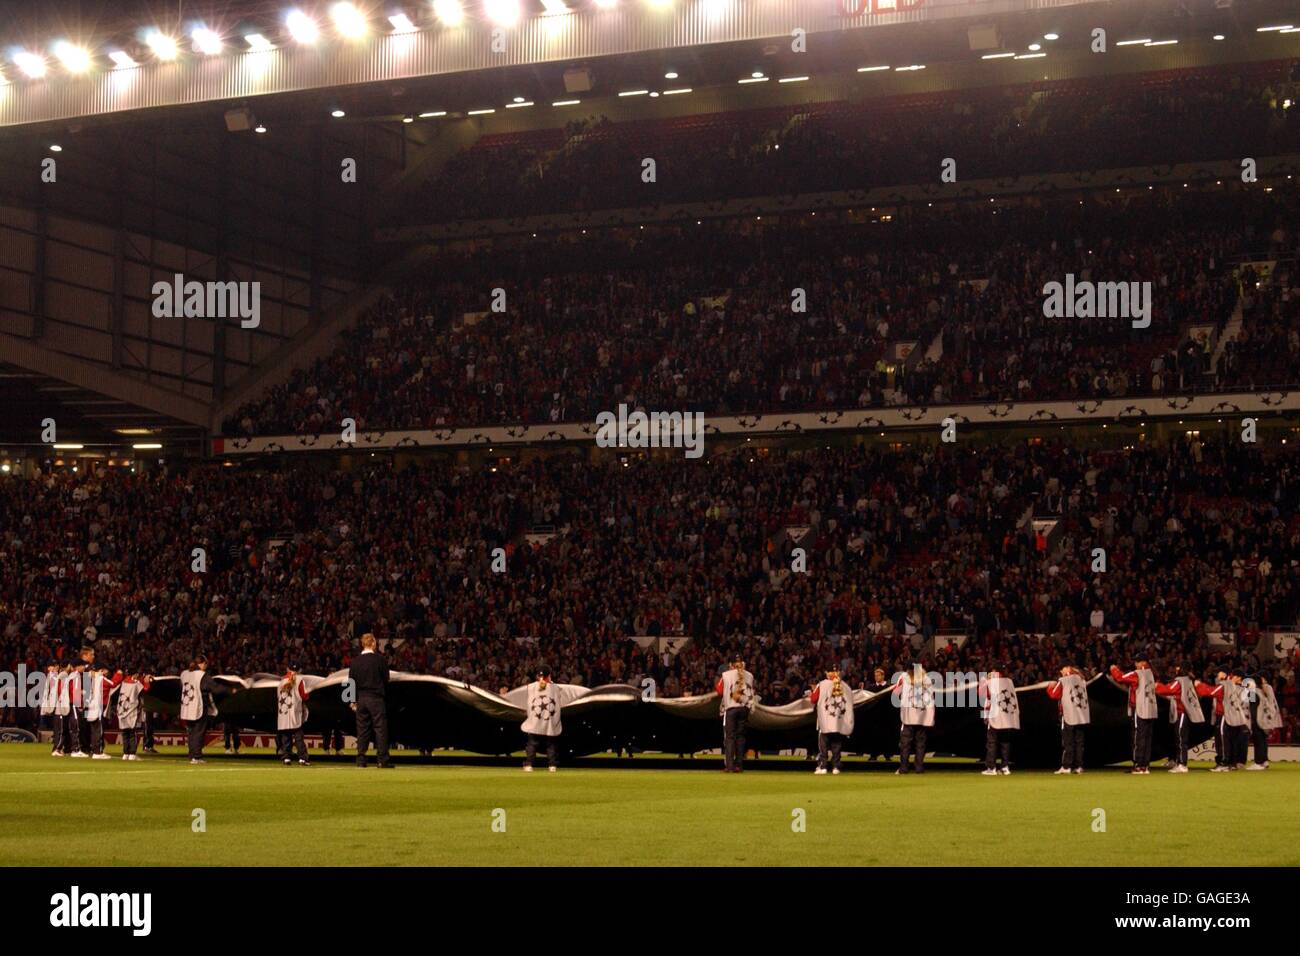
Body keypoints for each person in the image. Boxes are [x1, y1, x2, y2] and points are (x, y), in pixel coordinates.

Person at [350, 633, 391, 768]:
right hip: (376, 698)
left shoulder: (355, 661)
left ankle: (361, 760)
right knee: (380, 729)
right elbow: (386, 680)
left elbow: (350, 683)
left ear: (363, 644)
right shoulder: (380, 660)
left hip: (361, 699)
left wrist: (351, 701)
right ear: (373, 643)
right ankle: (382, 760)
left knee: (362, 730)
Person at [1110, 660, 1158, 774]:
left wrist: (1113, 669)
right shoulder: (1150, 673)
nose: (1135, 664)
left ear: (1142, 663)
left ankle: (1138, 765)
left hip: (1140, 709)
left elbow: (1120, 678)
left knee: (1138, 737)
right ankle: (1145, 766)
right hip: (1151, 709)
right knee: (1147, 738)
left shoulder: (1137, 673)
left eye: (1137, 662)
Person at [1155, 665, 1205, 773]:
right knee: (1180, 739)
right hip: (1184, 713)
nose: (1176, 670)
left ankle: (1182, 764)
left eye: (1178, 668)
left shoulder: (1180, 681)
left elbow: (1167, 690)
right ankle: (1180, 762)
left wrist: (1156, 685)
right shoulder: (1188, 681)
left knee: (1181, 739)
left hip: (1182, 712)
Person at [521, 666, 566, 772]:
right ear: (549, 675)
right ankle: (552, 765)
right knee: (551, 743)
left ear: (537, 676)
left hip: (535, 721)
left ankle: (529, 764)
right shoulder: (555, 688)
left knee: (532, 743)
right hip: (549, 721)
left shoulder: (531, 687)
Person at [1047, 665, 1090, 774]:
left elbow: (1054, 695)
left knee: (1068, 742)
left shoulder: (1063, 680)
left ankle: (1066, 766)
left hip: (1068, 714)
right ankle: (1079, 766)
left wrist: (1050, 687)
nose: (1061, 671)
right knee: (1079, 742)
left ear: (1066, 668)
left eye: (1061, 669)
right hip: (1081, 715)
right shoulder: (1081, 679)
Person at [892, 665, 935, 775]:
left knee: (905, 743)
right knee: (920, 743)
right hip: (922, 716)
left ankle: (903, 768)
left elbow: (895, 692)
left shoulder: (904, 677)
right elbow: (931, 697)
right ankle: (919, 767)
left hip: (908, 715)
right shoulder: (927, 679)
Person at [811, 667, 854, 775]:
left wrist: (812, 692)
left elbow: (813, 699)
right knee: (836, 745)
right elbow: (851, 699)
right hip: (838, 722)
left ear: (827, 673)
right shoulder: (845, 686)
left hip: (825, 721)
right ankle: (836, 767)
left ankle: (823, 766)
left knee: (823, 746)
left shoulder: (821, 684)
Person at [716, 657, 755, 773]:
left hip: (731, 708)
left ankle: (729, 766)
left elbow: (719, 690)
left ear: (731, 665)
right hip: (744, 709)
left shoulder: (726, 675)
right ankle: (739, 765)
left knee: (730, 738)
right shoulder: (750, 675)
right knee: (740, 737)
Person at [980, 666, 1019, 775]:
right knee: (1005, 742)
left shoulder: (991, 685)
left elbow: (984, 698)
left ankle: (991, 767)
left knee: (992, 742)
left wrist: (985, 717)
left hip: (994, 717)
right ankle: (1005, 767)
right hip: (1006, 717)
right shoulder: (1007, 684)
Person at [179, 657, 217, 764]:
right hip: (198, 707)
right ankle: (197, 756)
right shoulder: (201, 675)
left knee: (191, 732)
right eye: (205, 664)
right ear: (200, 664)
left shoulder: (184, 674)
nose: (206, 666)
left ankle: (192, 755)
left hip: (187, 707)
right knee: (198, 732)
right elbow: (214, 687)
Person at [1244, 673, 1281, 769]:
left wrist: (1252, 721)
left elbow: (1252, 708)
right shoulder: (1263, 691)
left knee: (1258, 741)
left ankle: (1258, 762)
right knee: (1263, 741)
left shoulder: (1253, 692)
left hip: (1257, 720)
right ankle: (1264, 761)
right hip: (1264, 720)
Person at [277, 667, 311, 766]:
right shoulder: (299, 680)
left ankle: (286, 757)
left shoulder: (281, 682)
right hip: (294, 712)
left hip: (283, 712)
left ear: (287, 669)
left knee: (285, 737)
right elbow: (305, 696)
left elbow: (277, 697)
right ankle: (302, 758)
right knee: (298, 736)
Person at [114, 670, 151, 760]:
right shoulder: (136, 683)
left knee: (124, 732)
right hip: (131, 710)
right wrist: (146, 682)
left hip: (122, 710)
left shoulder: (123, 682)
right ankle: (132, 753)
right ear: (136, 674)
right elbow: (145, 690)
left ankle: (125, 753)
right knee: (132, 732)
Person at [82, 665, 113, 760]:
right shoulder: (100, 678)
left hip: (90, 708)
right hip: (97, 708)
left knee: (93, 730)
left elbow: (85, 694)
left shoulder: (87, 680)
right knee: (98, 730)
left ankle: (93, 749)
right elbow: (112, 683)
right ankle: (98, 752)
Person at [39, 662, 61, 756]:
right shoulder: (52, 676)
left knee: (56, 725)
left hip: (52, 703)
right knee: (56, 725)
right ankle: (56, 745)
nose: (55, 669)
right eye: (54, 667)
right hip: (52, 703)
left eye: (56, 667)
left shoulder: (52, 676)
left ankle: (56, 743)